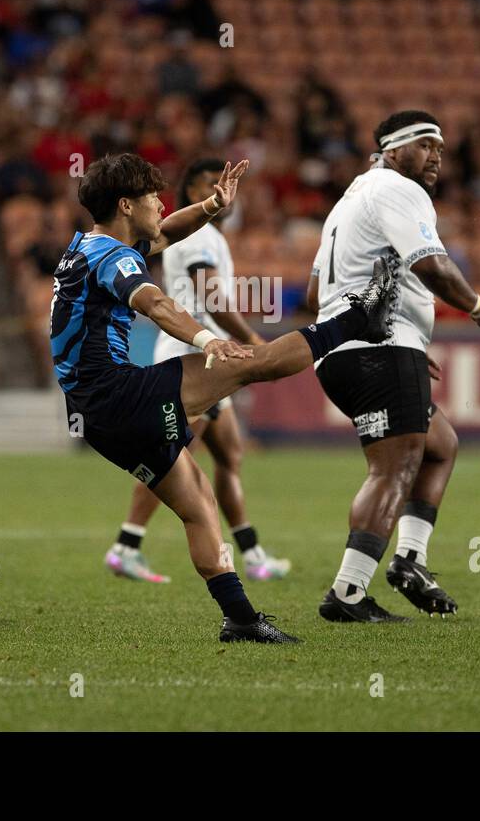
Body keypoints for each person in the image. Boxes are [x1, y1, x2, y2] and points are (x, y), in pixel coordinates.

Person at [50, 154, 396, 642]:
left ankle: (240, 618)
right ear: (126, 205)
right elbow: (156, 302)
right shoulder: (118, 258)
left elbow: (168, 230)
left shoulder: (87, 246)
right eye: (151, 196)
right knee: (253, 365)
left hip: (94, 411)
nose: (161, 203)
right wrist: (205, 340)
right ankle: (361, 316)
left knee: (197, 501)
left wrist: (212, 205)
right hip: (118, 394)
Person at [307, 111, 480, 623]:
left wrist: (410, 340)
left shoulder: (349, 199)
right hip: (379, 350)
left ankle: (410, 560)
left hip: (343, 353)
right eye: (425, 144)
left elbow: (315, 292)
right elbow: (431, 265)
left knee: (440, 446)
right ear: (392, 151)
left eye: (441, 146)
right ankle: (348, 594)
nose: (437, 154)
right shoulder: (398, 189)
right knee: (393, 468)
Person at [105, 158, 290, 584]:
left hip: (206, 354)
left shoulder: (208, 235)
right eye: (211, 183)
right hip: (194, 356)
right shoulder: (201, 236)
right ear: (191, 192)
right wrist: (255, 341)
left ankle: (253, 552)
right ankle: (125, 546)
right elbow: (211, 296)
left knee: (229, 454)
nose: (224, 191)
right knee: (170, 457)